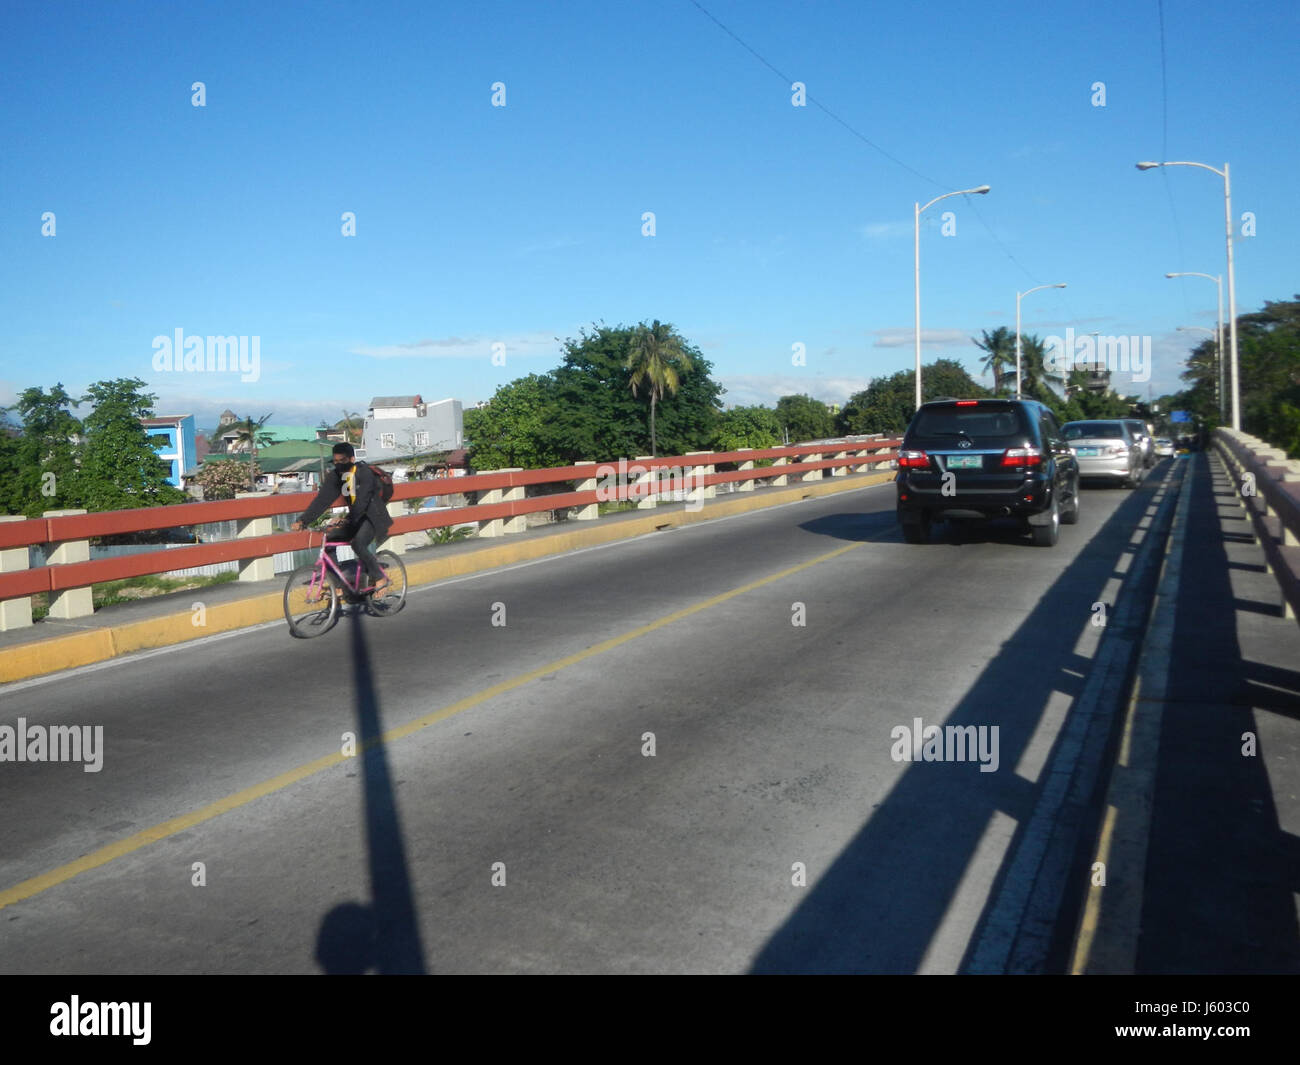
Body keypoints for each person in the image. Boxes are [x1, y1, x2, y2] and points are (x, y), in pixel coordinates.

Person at [291, 443, 392, 594]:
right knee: (329, 543)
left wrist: (347, 519)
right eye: (335, 462)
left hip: (373, 516)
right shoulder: (336, 476)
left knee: (358, 544)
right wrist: (303, 520)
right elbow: (323, 500)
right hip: (355, 517)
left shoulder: (364, 473)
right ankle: (337, 586)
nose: (338, 465)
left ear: (352, 458)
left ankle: (379, 577)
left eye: (342, 461)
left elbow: (362, 501)